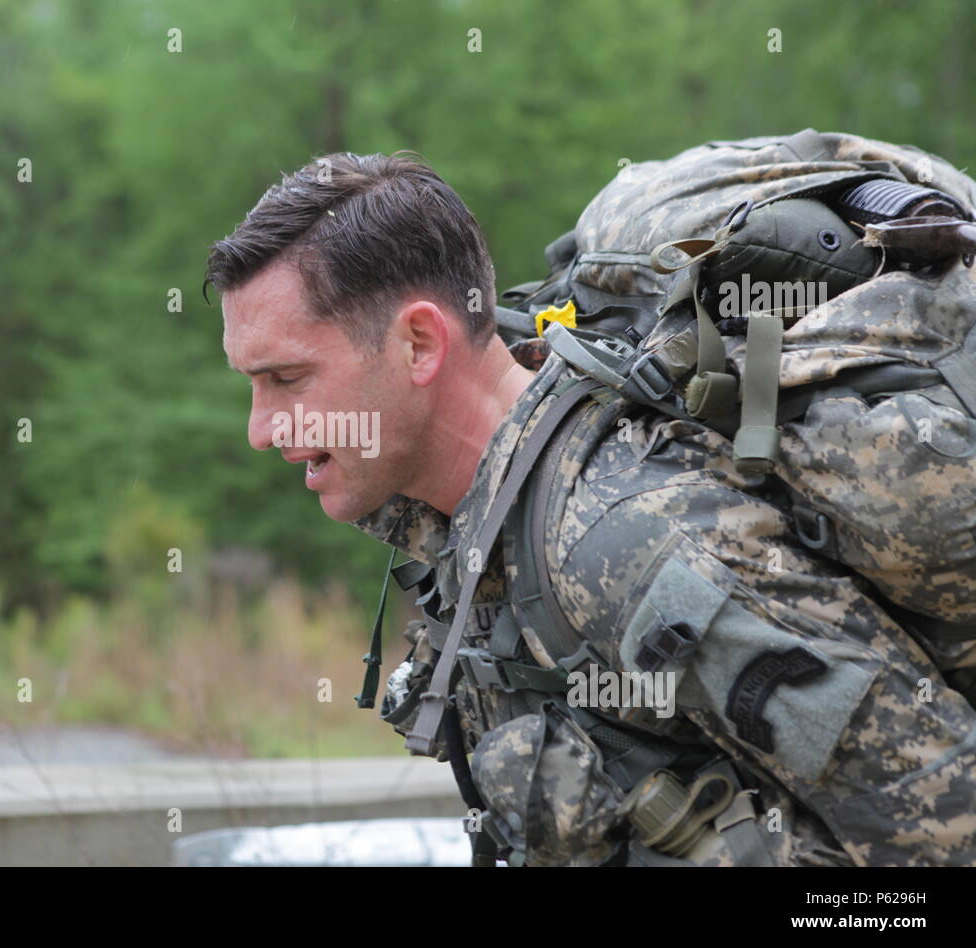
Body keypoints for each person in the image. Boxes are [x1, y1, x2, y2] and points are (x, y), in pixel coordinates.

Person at [206, 149, 976, 866]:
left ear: (418, 345)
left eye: (287, 379)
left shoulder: (626, 545)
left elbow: (947, 829)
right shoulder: (478, 502)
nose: (258, 431)